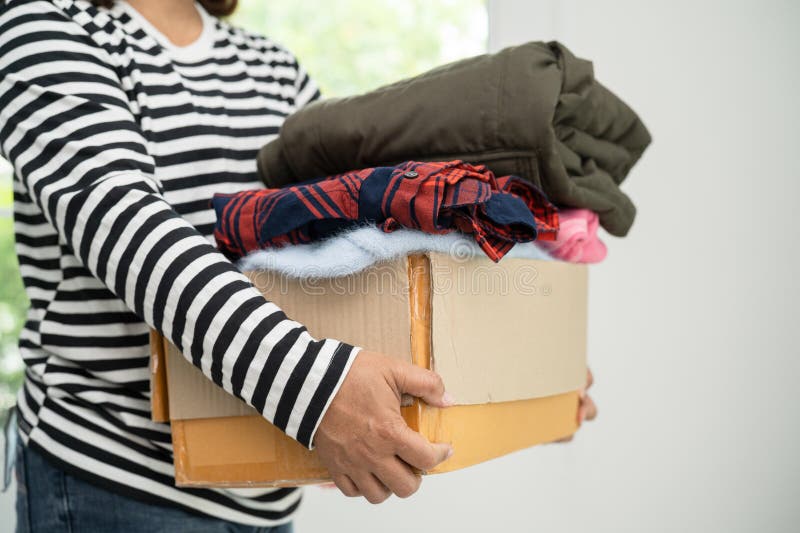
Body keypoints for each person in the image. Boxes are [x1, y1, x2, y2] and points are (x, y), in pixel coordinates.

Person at [0, 0, 597, 531]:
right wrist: (318, 389)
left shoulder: (272, 67)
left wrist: (526, 377)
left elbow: (340, 250)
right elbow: (126, 228)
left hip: (265, 484)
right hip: (113, 482)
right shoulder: (42, 26)